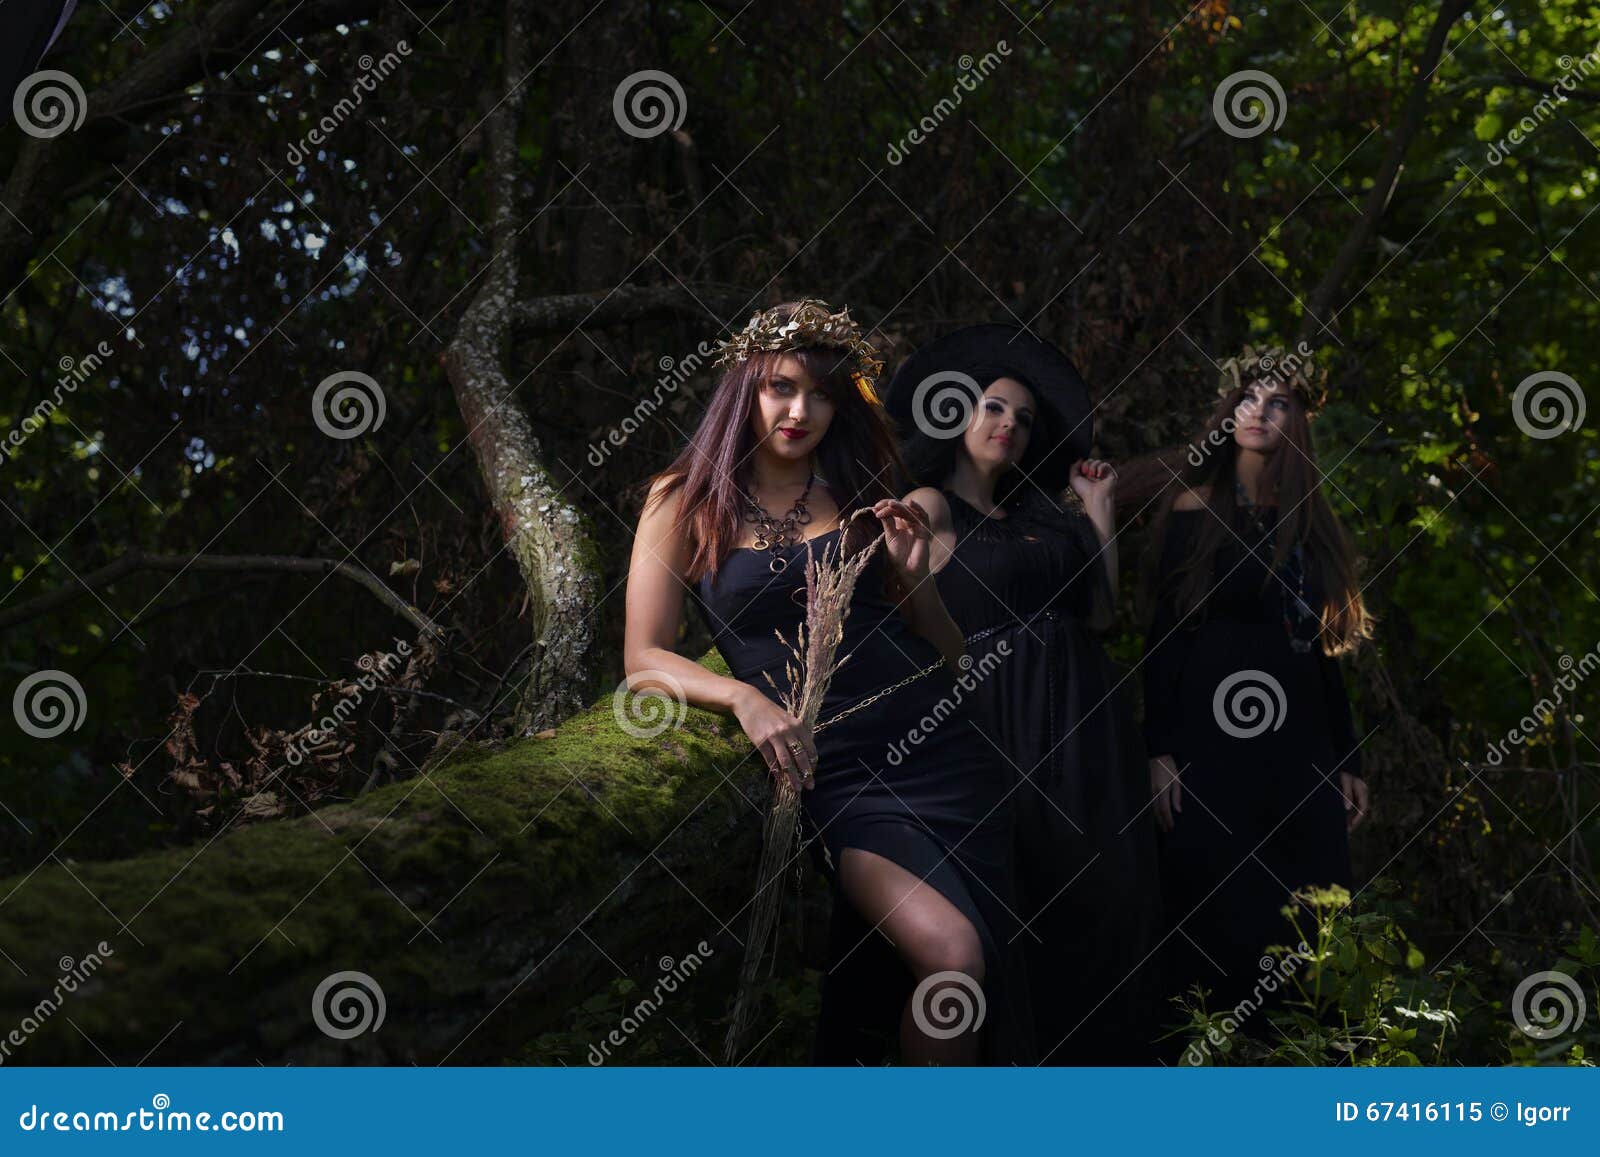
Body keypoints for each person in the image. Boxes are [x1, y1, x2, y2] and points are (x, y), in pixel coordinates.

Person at [622, 300, 1035, 1064]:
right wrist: (745, 698)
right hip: (838, 777)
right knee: (951, 957)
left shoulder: (858, 487)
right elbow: (643, 657)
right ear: (745, 388)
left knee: (981, 972)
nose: (798, 410)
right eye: (780, 387)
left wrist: (919, 583)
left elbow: (946, 653)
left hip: (946, 750)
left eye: (819, 394)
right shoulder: (682, 500)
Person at [882, 324, 1166, 1064]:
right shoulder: (930, 505)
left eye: (1024, 418)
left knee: (1110, 893)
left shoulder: (1043, 516)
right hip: (993, 719)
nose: (1009, 425)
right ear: (956, 417)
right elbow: (908, 611)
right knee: (1022, 896)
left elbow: (1101, 613)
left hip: (1087, 723)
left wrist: (1098, 511)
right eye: (993, 408)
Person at [1141, 344, 1373, 1041]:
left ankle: (1309, 1084)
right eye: (1247, 399)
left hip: (1300, 751)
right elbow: (1165, 638)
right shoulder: (1194, 507)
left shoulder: (1308, 522)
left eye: (1277, 402)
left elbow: (1322, 654)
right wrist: (1159, 749)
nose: (1259, 412)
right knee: (1219, 915)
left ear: (1297, 421)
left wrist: (1348, 757)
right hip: (1212, 746)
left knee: (1312, 920)